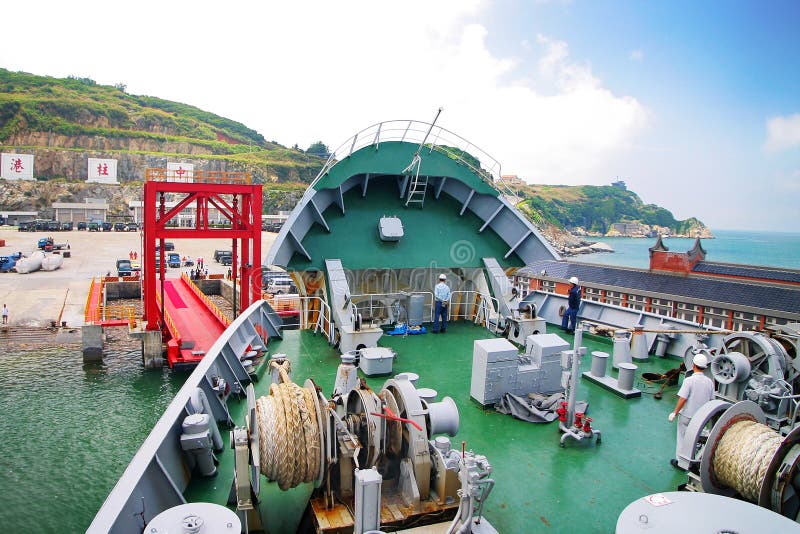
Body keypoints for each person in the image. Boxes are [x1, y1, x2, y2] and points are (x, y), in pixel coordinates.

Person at [668, 353, 715, 469]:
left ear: (693, 365)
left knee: (682, 437)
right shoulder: (709, 382)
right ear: (705, 367)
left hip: (687, 415)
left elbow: (683, 398)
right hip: (700, 418)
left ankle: (680, 462)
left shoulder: (689, 380)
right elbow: (711, 400)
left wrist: (675, 412)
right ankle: (693, 461)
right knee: (696, 439)